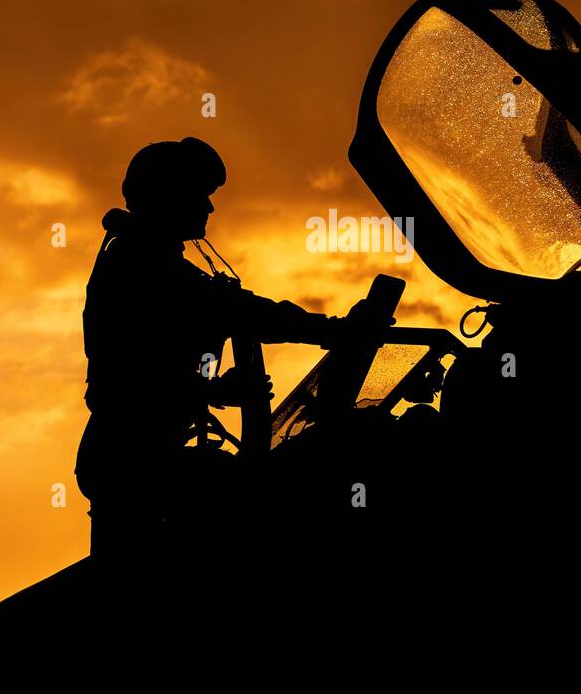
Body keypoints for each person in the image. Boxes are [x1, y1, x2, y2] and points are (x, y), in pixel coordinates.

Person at [75, 137, 374, 561]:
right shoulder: (142, 267)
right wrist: (337, 331)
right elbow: (143, 374)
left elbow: (219, 317)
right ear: (169, 196)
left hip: (132, 460)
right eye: (200, 196)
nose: (209, 209)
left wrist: (211, 391)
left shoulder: (143, 259)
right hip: (132, 464)